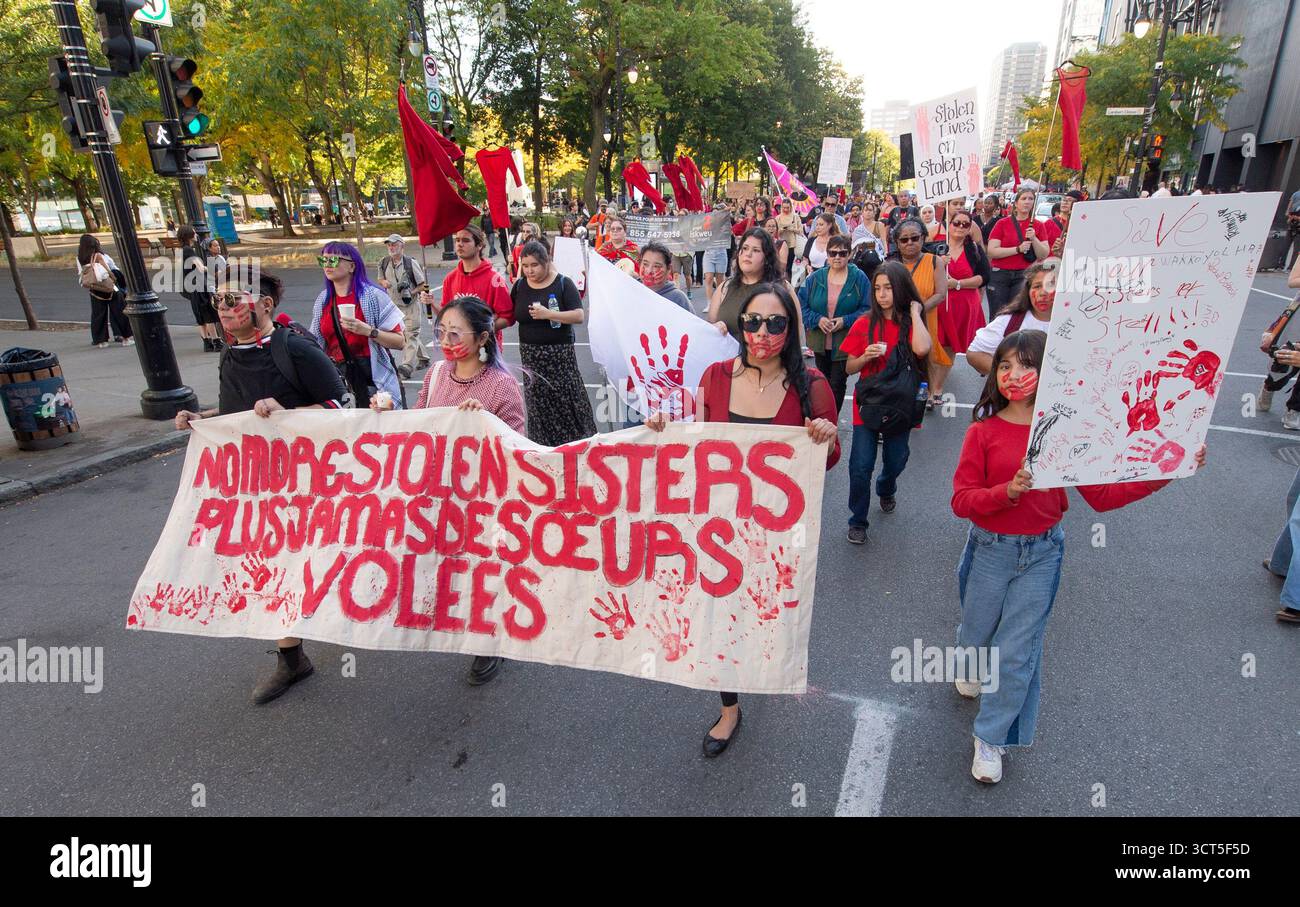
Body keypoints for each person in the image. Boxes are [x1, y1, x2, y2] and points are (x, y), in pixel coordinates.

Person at [951, 329, 1206, 783]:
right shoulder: (982, 432)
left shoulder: (1065, 433)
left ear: (1050, 373)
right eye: (1005, 365)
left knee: (1015, 651)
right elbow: (962, 501)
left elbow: (1103, 495)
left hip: (1042, 553)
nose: (1014, 375)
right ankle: (969, 659)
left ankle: (991, 736)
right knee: (976, 631)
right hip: (990, 549)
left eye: (1027, 365)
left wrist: (1169, 468)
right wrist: (1004, 493)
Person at [645, 281, 839, 756]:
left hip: (775, 534)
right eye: (753, 321)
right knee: (717, 616)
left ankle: (761, 667)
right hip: (717, 528)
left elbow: (826, 461)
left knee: (763, 614)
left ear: (791, 330)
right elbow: (692, 440)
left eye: (776, 323)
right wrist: (661, 432)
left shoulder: (812, 387)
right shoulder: (714, 377)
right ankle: (729, 706)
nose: (762, 333)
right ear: (740, 325)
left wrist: (827, 436)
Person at [173, 269, 351, 705]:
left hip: (314, 481)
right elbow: (238, 418)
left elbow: (340, 403)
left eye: (232, 298)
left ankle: (356, 616)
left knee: (323, 561)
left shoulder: (296, 348)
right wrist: (203, 419)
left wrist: (288, 413)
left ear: (264, 305)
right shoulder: (230, 355)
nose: (222, 308)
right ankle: (292, 659)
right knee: (274, 565)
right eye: (217, 300)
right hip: (264, 486)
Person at [373, 296, 524, 686]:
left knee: (482, 567)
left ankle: (490, 643)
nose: (446, 340)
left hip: (483, 498)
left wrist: (486, 422)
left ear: (483, 338)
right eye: (441, 332)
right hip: (441, 490)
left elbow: (519, 447)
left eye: (456, 333)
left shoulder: (501, 386)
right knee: (451, 564)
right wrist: (388, 411)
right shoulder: (437, 373)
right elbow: (420, 422)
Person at [841, 262, 932, 545]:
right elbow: (849, 368)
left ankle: (886, 485)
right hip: (868, 402)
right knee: (860, 465)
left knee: (896, 459)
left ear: (901, 288)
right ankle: (857, 520)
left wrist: (916, 312)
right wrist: (865, 356)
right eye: (878, 288)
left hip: (900, 402)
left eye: (888, 288)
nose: (881, 294)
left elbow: (922, 349)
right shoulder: (863, 323)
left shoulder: (910, 322)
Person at [510, 239, 597, 445]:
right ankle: (544, 451)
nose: (529, 270)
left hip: (559, 358)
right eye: (525, 265)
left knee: (568, 405)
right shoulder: (520, 285)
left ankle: (577, 448)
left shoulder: (562, 283)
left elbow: (578, 315)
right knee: (538, 409)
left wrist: (549, 314)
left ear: (546, 262)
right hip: (531, 359)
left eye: (534, 265)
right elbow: (508, 312)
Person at [310, 242, 406, 408]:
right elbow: (315, 343)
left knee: (380, 428)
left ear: (351, 266)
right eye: (323, 260)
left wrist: (369, 331)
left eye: (332, 260)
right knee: (349, 428)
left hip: (374, 376)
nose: (327, 265)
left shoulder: (374, 296)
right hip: (339, 379)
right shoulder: (323, 300)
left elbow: (400, 341)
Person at [799, 233, 869, 415]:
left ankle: (832, 420)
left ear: (849, 254)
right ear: (827, 255)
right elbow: (802, 305)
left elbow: (868, 308)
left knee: (837, 383)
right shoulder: (815, 278)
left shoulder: (859, 278)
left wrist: (845, 321)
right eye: (832, 253)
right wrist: (817, 319)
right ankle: (822, 415)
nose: (837, 257)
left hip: (845, 341)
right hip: (820, 342)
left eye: (842, 253)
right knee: (822, 381)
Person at [888, 217, 947, 407]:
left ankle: (928, 393)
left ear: (923, 238)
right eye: (904, 240)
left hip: (926, 318)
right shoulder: (891, 265)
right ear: (897, 242)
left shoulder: (934, 261)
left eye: (915, 238)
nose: (910, 243)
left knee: (926, 357)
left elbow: (940, 294)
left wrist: (919, 310)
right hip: (898, 319)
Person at [966, 257, 1058, 376]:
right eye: (1037, 286)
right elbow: (975, 353)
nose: (1042, 293)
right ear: (1028, 290)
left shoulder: (1078, 324)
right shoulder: (1010, 321)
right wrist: (1011, 375)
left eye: (1050, 285)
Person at [937, 211, 990, 389]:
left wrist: (957, 283)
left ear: (970, 229)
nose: (960, 227)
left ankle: (936, 388)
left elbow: (984, 277)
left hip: (964, 306)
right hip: (939, 305)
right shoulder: (937, 248)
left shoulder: (973, 249)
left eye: (965, 224)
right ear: (949, 224)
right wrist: (938, 264)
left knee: (952, 347)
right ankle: (932, 385)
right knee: (936, 345)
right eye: (956, 223)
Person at [709, 227, 787, 343]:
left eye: (756, 250)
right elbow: (708, 330)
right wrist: (715, 328)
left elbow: (795, 334)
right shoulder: (724, 288)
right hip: (729, 359)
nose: (748, 254)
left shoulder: (783, 288)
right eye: (744, 248)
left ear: (767, 258)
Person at [440, 224, 515, 341]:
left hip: (486, 350)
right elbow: (445, 313)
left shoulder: (495, 279)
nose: (460, 244)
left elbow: (508, 317)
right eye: (457, 240)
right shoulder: (450, 278)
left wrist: (481, 331)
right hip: (458, 349)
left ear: (479, 245)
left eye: (465, 240)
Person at [986, 188, 1053, 317]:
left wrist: (1034, 238)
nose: (1027, 202)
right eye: (1024, 198)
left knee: (1018, 314)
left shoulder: (1038, 225)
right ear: (1016, 203)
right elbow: (992, 251)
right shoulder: (1002, 223)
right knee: (997, 314)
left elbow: (1043, 254)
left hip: (1023, 274)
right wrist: (1017, 249)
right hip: (1000, 274)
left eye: (1030, 199)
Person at [376, 234, 429, 380]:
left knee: (411, 334)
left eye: (394, 245)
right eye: (389, 245)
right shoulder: (384, 262)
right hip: (393, 306)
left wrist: (410, 292)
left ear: (402, 246)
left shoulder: (410, 263)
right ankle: (423, 358)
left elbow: (422, 284)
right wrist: (383, 283)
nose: (391, 247)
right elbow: (380, 278)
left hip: (410, 305)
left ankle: (406, 367)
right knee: (408, 335)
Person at [75, 233, 133, 348]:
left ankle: (101, 340)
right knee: (119, 311)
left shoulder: (79, 258)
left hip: (94, 288)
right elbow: (109, 269)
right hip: (109, 287)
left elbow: (81, 271)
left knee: (98, 314)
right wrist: (115, 278)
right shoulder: (99, 256)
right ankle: (126, 337)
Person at [178, 225, 221, 352]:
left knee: (200, 315)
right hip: (198, 285)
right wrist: (211, 268)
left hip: (191, 286)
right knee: (208, 313)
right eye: (194, 233)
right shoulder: (189, 251)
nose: (196, 234)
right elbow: (200, 268)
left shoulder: (183, 250)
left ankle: (206, 343)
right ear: (189, 236)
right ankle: (216, 341)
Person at [638, 241, 691, 310]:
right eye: (645, 264)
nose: (649, 271)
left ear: (668, 269)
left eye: (656, 266)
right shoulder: (631, 289)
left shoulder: (678, 299)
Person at [775, 199, 805, 279]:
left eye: (787, 208)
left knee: (791, 267)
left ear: (791, 207)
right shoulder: (778, 218)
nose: (785, 210)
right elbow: (774, 232)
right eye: (784, 207)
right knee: (780, 266)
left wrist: (793, 229)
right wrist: (781, 230)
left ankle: (791, 282)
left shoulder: (795, 217)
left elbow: (801, 231)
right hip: (780, 245)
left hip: (793, 245)